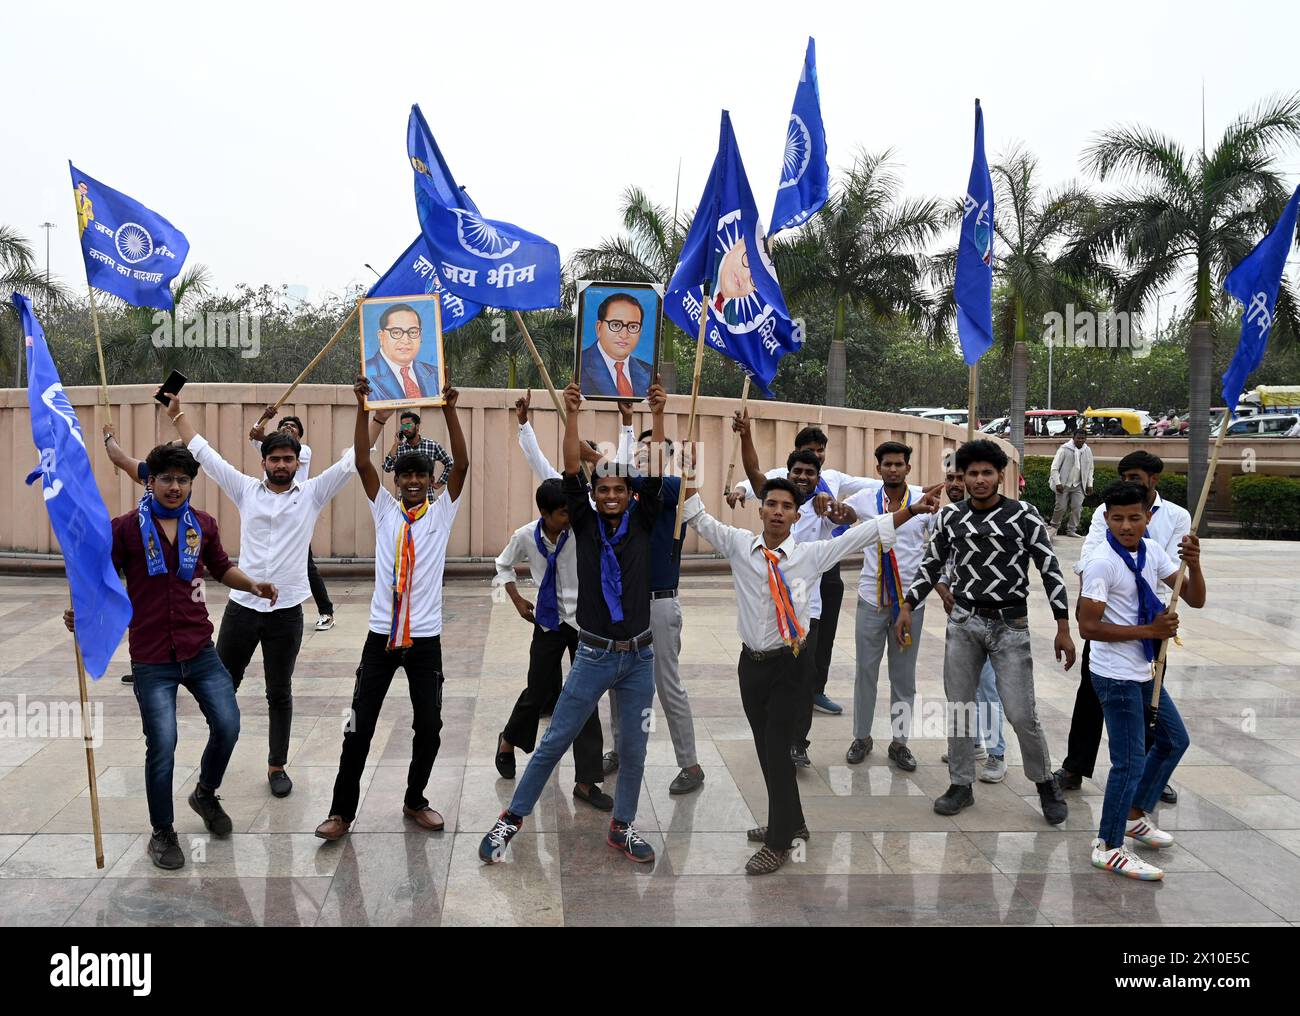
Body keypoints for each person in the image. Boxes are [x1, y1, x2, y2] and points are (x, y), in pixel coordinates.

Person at [680, 457, 941, 874]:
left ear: (796, 515)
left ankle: (780, 840)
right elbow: (697, 516)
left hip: (791, 666)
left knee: (778, 750)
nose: (779, 512)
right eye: (772, 504)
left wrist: (913, 508)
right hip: (752, 665)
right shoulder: (737, 545)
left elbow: (867, 531)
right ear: (761, 509)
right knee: (766, 749)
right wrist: (684, 469)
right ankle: (793, 821)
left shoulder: (811, 555)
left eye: (787, 506)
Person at [480, 379, 668, 866]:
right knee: (554, 740)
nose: (609, 495)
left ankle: (622, 826)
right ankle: (511, 818)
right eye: (601, 488)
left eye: (618, 489)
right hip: (593, 654)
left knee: (634, 748)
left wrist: (659, 413)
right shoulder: (583, 523)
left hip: (640, 656)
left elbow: (660, 466)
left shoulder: (645, 522)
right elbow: (568, 469)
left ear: (631, 494)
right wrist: (571, 413)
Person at [64, 442, 276, 869]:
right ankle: (163, 832)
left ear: (191, 484)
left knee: (229, 725)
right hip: (152, 656)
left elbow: (220, 567)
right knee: (162, 743)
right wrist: (82, 612)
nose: (175, 487)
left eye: (182, 480)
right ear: (149, 481)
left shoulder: (203, 525)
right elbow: (100, 576)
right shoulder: (125, 529)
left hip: (199, 649)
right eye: (166, 479)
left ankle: (205, 793)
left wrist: (253, 584)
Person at [162, 389, 380, 799]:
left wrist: (376, 416)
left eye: (288, 459)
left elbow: (354, 460)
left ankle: (276, 764)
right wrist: (178, 417)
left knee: (279, 692)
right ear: (263, 461)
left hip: (286, 614)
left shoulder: (312, 494)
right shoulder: (246, 489)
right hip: (242, 609)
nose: (282, 465)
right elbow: (206, 456)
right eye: (275, 458)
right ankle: (216, 761)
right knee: (223, 686)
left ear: (298, 464)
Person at [314, 376, 468, 841]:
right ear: (396, 481)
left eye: (422, 475)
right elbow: (361, 460)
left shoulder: (442, 513)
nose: (415, 481)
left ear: (429, 481)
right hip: (380, 636)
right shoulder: (384, 510)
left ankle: (415, 799)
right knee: (358, 725)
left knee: (430, 726)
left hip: (425, 639)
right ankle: (341, 812)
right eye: (406, 475)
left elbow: (462, 463)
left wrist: (450, 409)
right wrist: (363, 408)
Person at [896, 439, 1076, 824]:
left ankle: (1045, 783)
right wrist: (908, 606)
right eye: (971, 474)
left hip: (1011, 626)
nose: (979, 480)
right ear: (963, 476)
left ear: (1000, 476)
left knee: (1020, 712)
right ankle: (961, 785)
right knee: (960, 707)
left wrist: (1063, 626)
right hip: (963, 622)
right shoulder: (950, 518)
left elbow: (1050, 572)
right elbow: (930, 567)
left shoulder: (1024, 517)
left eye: (986, 473)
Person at [1079, 482, 1203, 880]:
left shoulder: (1152, 550)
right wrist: (1151, 632)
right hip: (1113, 677)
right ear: (1105, 518)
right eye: (1117, 518)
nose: (1127, 526)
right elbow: (1088, 626)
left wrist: (1195, 563)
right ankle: (1108, 845)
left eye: (1135, 517)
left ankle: (1135, 815)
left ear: (1148, 517)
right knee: (1128, 762)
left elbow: (1195, 598)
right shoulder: (1102, 562)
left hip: (1143, 671)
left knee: (1174, 740)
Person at [1056, 450, 1192, 805]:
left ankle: (1150, 773)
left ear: (1153, 480)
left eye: (1135, 478)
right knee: (1091, 694)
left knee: (1152, 699)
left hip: (1154, 615)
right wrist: (1089, 593)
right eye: (1124, 477)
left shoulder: (1177, 515)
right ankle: (1075, 765)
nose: (1129, 483)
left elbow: (1172, 568)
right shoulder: (1108, 510)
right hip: (1111, 607)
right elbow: (1093, 551)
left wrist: (1154, 620)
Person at [729, 427, 877, 727]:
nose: (803, 476)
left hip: (808, 608)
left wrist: (837, 507)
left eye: (811, 471)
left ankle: (799, 739)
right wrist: (746, 437)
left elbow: (850, 517)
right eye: (797, 470)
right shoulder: (778, 498)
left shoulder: (823, 505)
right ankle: (772, 724)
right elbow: (755, 474)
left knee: (804, 674)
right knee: (775, 673)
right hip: (770, 607)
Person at [491, 478, 609, 810]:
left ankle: (587, 780)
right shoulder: (526, 535)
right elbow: (502, 564)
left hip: (583, 620)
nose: (568, 517)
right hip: (546, 620)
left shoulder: (580, 531)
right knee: (539, 691)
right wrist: (514, 598)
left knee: (585, 696)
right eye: (561, 513)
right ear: (544, 513)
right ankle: (509, 738)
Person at [842, 442, 938, 772]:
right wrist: (832, 509)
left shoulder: (923, 501)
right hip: (871, 599)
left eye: (899, 464)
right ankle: (862, 737)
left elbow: (936, 549)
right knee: (865, 673)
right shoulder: (866, 499)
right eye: (887, 464)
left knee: (903, 677)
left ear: (908, 468)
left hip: (910, 605)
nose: (893, 469)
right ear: (878, 467)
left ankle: (900, 743)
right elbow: (844, 517)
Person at [934, 466, 1008, 783]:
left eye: (959, 477)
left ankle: (997, 753)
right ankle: (973, 743)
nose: (955, 484)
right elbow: (936, 561)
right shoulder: (948, 518)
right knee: (964, 685)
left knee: (988, 685)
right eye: (949, 478)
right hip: (960, 616)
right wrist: (942, 588)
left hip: (992, 615)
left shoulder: (998, 518)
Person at [249, 410, 342, 631]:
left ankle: (326, 612)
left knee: (307, 567)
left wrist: (265, 431)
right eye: (285, 425)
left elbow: (260, 437)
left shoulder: (303, 452)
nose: (289, 428)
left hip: (294, 517)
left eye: (293, 427)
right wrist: (265, 416)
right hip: (268, 515)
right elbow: (254, 435)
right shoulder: (268, 448)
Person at [579, 293, 653, 399]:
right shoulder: (580, 365)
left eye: (632, 326)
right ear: (599, 328)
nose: (624, 334)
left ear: (640, 332)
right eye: (615, 325)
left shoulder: (649, 371)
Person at [365, 303, 440, 401]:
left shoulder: (436, 373)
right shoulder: (366, 376)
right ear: (381, 336)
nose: (406, 340)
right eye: (396, 332)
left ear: (420, 336)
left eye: (413, 332)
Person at [383, 411, 456, 501]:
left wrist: (440, 482)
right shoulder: (399, 448)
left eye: (408, 425)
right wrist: (396, 444)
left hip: (427, 501)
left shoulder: (432, 445)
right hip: (405, 502)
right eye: (403, 426)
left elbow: (450, 463)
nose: (405, 429)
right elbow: (387, 467)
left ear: (417, 426)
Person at [1049, 430, 1093, 536]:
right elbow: (1054, 468)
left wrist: (1089, 484)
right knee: (1061, 507)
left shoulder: (1087, 450)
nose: (1080, 440)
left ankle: (1071, 530)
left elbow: (1090, 468)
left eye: (1083, 438)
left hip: (1078, 485)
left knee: (1077, 507)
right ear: (1073, 437)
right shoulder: (1064, 449)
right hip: (1063, 484)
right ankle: (1053, 528)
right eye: (1078, 438)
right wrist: (1058, 483)